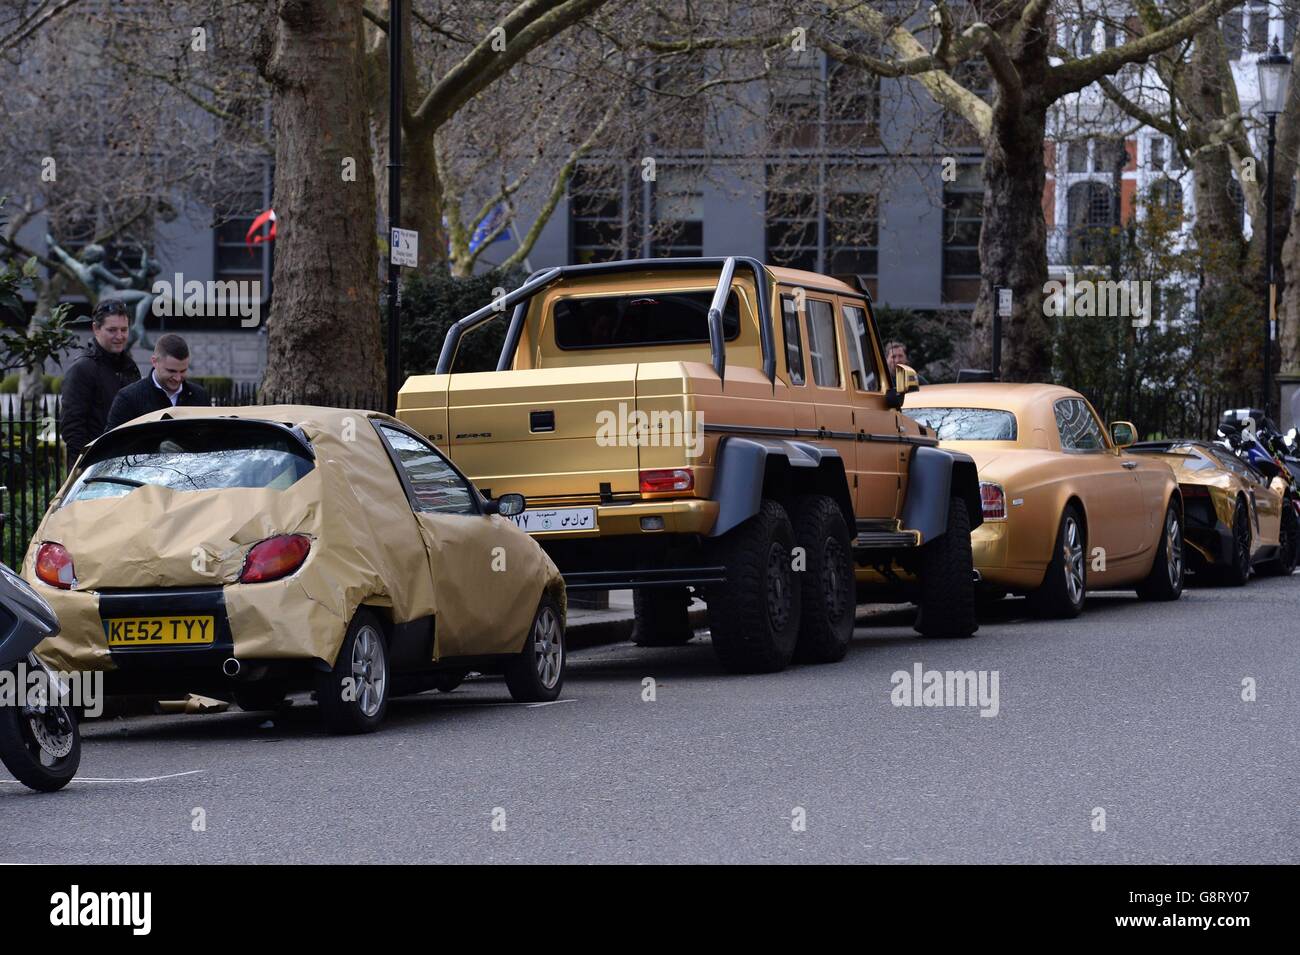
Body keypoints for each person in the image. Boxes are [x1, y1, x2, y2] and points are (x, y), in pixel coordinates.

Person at [59, 299, 142, 463]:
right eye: (112, 330)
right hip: (94, 467)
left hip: (127, 464)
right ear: (95, 329)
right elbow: (72, 429)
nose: (119, 336)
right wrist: (84, 468)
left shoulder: (130, 367)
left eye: (124, 330)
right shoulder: (82, 369)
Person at [105, 333, 209, 431]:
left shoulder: (200, 396)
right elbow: (110, 443)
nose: (177, 378)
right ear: (154, 362)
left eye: (183, 371)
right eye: (171, 371)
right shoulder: (128, 398)